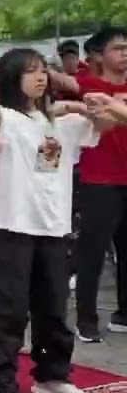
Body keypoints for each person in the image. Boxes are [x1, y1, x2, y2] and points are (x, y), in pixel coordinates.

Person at [0, 47, 127, 393]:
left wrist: (92, 107)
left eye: (43, 70)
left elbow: (103, 126)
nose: (40, 77)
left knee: (54, 306)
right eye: (30, 71)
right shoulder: (4, 118)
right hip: (10, 223)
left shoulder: (58, 122)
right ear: (12, 78)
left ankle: (53, 374)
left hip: (53, 226)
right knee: (8, 308)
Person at [69, 27, 127, 343]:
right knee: (92, 253)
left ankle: (123, 315)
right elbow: (100, 122)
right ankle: (86, 319)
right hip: (100, 180)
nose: (124, 54)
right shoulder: (89, 87)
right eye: (118, 48)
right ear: (99, 56)